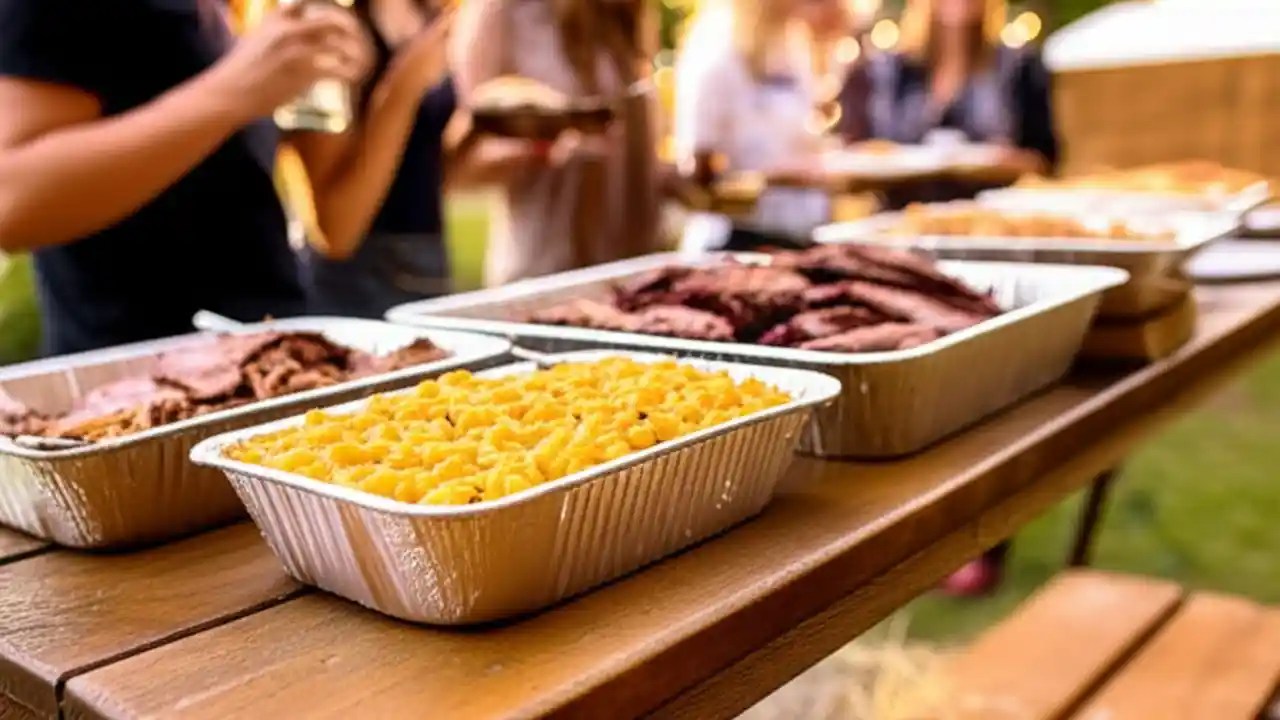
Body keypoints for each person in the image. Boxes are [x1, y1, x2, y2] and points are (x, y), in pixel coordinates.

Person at [0, 0, 446, 355]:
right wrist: (236, 88)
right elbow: (11, 198)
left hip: (262, 356)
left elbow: (335, 226)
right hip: (144, 397)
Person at [449, 0, 664, 288]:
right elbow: (460, 164)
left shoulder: (620, 12)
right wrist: (546, 147)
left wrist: (674, 179)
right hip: (543, 277)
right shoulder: (504, 12)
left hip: (635, 277)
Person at [300, 0, 470, 317]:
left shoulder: (427, 12)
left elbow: (428, 170)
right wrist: (404, 85)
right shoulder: (325, 24)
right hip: (355, 289)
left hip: (429, 271)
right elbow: (336, 232)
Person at [855, 0, 1057, 201]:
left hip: (985, 212)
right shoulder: (896, 69)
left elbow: (1044, 161)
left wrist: (999, 161)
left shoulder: (1019, 66)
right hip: (901, 213)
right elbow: (873, 147)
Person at [673, 0, 831, 254]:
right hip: (733, 242)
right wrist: (768, 178)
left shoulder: (793, 47)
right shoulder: (716, 53)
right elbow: (700, 170)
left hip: (795, 235)